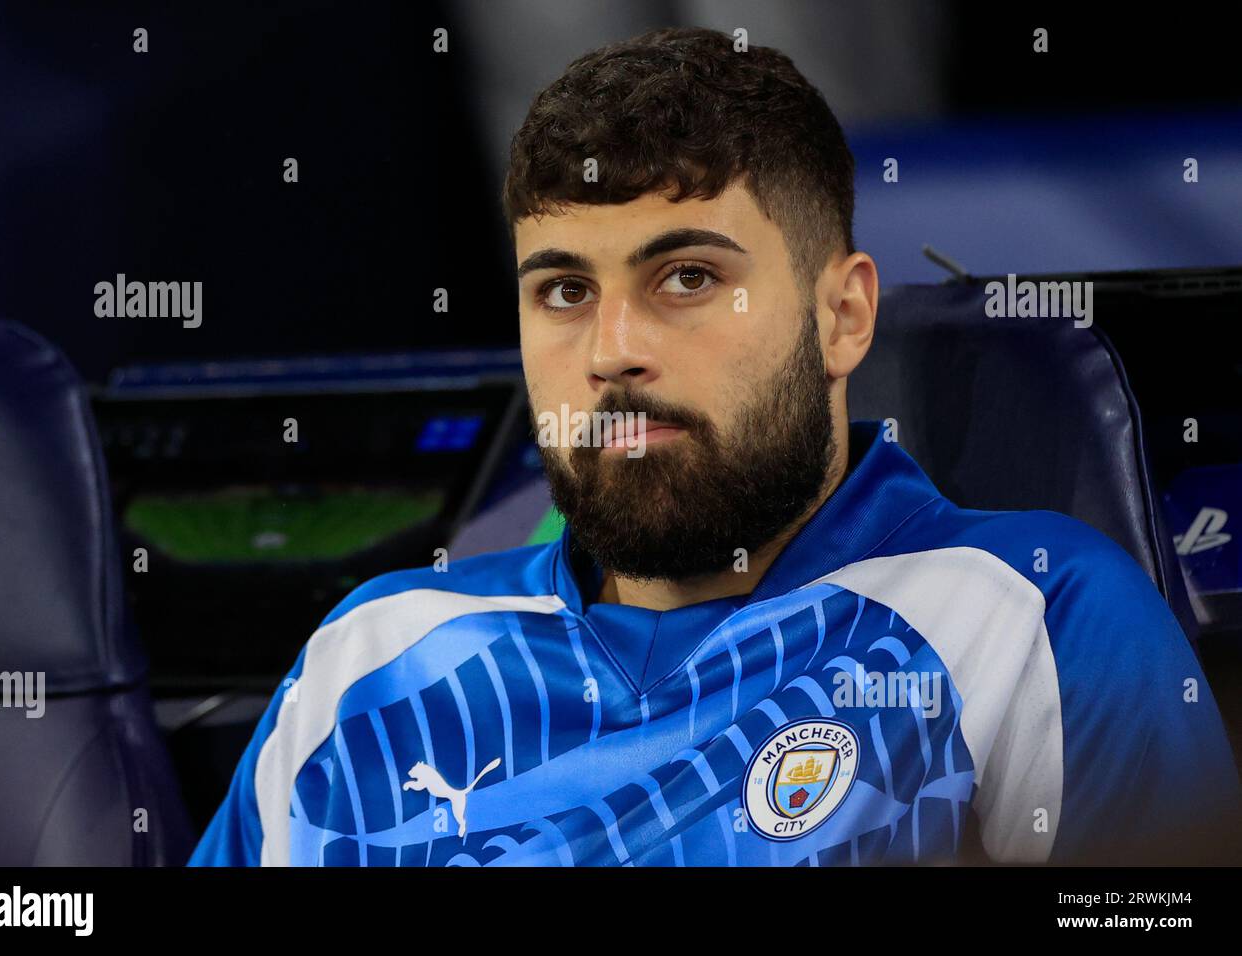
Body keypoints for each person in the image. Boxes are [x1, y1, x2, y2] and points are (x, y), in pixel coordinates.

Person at [189, 26, 1238, 866]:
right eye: (562, 290)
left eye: (685, 277)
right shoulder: (363, 659)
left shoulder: (1033, 623)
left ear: (842, 316)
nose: (613, 351)